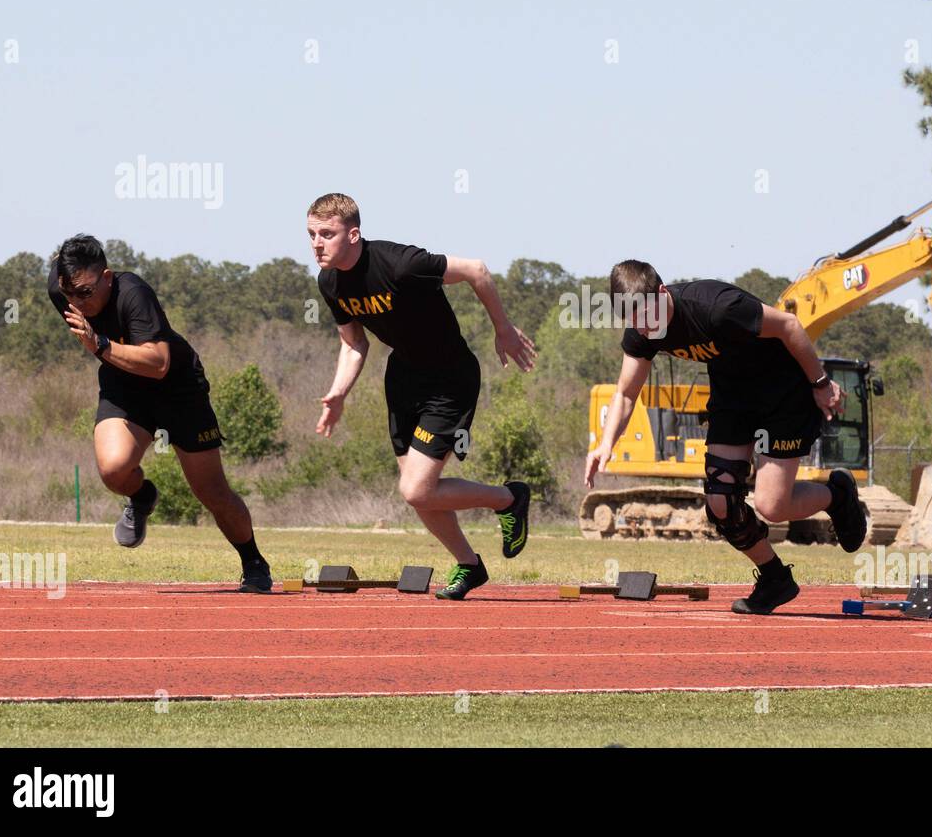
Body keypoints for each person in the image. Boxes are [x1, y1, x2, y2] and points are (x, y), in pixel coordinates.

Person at [584, 260, 867, 615]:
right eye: (633, 320)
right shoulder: (640, 330)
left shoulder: (716, 307)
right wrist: (606, 443)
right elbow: (626, 393)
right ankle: (775, 577)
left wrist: (821, 383)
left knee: (771, 506)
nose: (643, 328)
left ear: (661, 293)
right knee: (721, 503)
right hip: (733, 398)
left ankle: (836, 496)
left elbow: (790, 325)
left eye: (646, 316)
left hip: (782, 391)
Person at [308, 193, 536, 599]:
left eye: (327, 234)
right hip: (404, 379)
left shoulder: (401, 264)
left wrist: (503, 329)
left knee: (416, 490)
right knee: (419, 493)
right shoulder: (329, 283)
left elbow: (476, 270)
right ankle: (470, 565)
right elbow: (353, 343)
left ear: (354, 233)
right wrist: (339, 392)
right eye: (311, 234)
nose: (316, 243)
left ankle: (508, 498)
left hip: (450, 377)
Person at [46, 234, 272, 592]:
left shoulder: (133, 293)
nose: (76, 302)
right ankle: (142, 495)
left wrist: (101, 344)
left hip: (177, 389)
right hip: (124, 386)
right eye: (69, 294)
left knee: (212, 492)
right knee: (113, 469)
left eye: (86, 293)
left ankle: (253, 561)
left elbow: (160, 363)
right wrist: (101, 346)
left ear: (107, 277)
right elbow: (80, 311)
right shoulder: (63, 289)